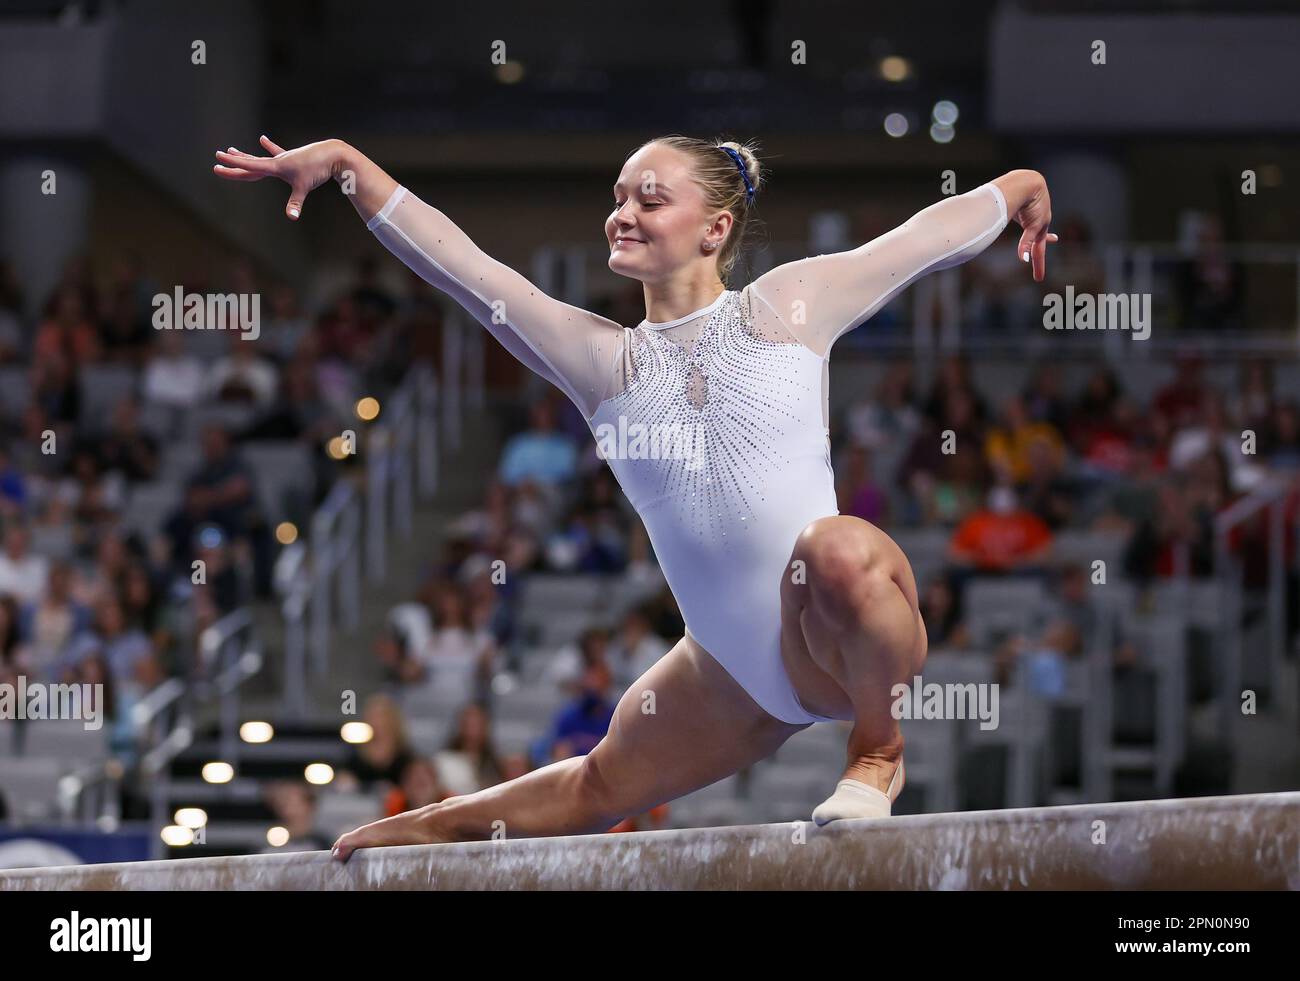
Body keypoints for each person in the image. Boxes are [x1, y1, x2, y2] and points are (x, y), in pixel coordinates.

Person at [214, 133, 1057, 858]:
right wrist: (349, 166)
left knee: (832, 548)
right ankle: (431, 829)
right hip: (731, 675)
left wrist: (1019, 189)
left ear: (716, 228)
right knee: (595, 786)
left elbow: (921, 239)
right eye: (618, 197)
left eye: (651, 198)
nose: (623, 211)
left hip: (845, 629)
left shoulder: (792, 303)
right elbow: (464, 269)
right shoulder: (602, 361)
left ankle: (877, 754)